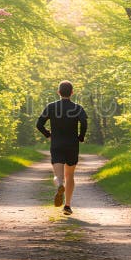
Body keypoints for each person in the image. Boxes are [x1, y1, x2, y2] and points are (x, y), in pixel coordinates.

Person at [36, 80, 87, 215]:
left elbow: (39, 124)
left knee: (58, 176)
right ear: (72, 92)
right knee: (69, 175)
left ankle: (59, 185)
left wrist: (48, 135)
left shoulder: (51, 107)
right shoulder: (77, 108)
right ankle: (68, 206)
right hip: (72, 145)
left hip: (57, 144)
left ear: (58, 92)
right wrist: (81, 136)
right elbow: (84, 122)